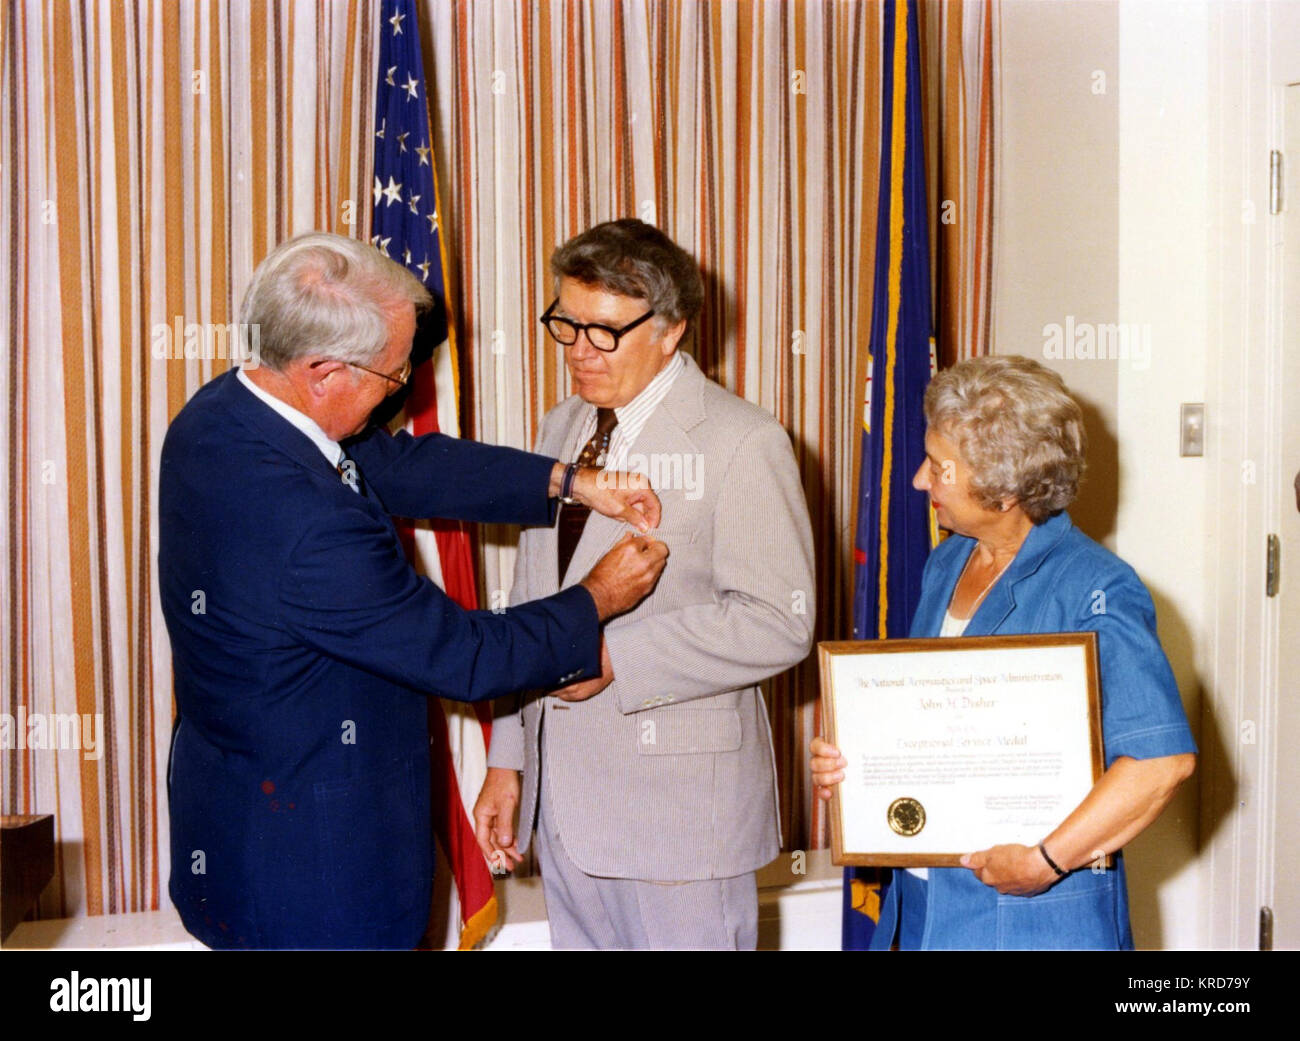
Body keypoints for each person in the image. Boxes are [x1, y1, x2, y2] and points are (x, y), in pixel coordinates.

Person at [160, 231, 668, 949]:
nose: (401, 390)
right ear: (325, 371)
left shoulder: (219, 414)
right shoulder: (311, 529)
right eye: (395, 376)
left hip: (234, 833)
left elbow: (389, 464)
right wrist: (597, 596)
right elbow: (467, 656)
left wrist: (565, 482)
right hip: (319, 881)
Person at [472, 219, 815, 949]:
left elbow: (777, 620)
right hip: (563, 807)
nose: (577, 351)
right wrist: (509, 758)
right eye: (564, 324)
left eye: (604, 332)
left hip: (681, 822)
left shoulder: (743, 440)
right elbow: (531, 600)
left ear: (670, 330)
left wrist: (613, 659)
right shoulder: (561, 426)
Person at [811, 355, 1196, 950]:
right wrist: (858, 762)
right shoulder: (948, 561)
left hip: (1029, 924)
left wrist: (1047, 858)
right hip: (923, 912)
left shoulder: (1096, 586)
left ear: (1004, 488)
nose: (918, 481)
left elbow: (1159, 762)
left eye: (939, 468)